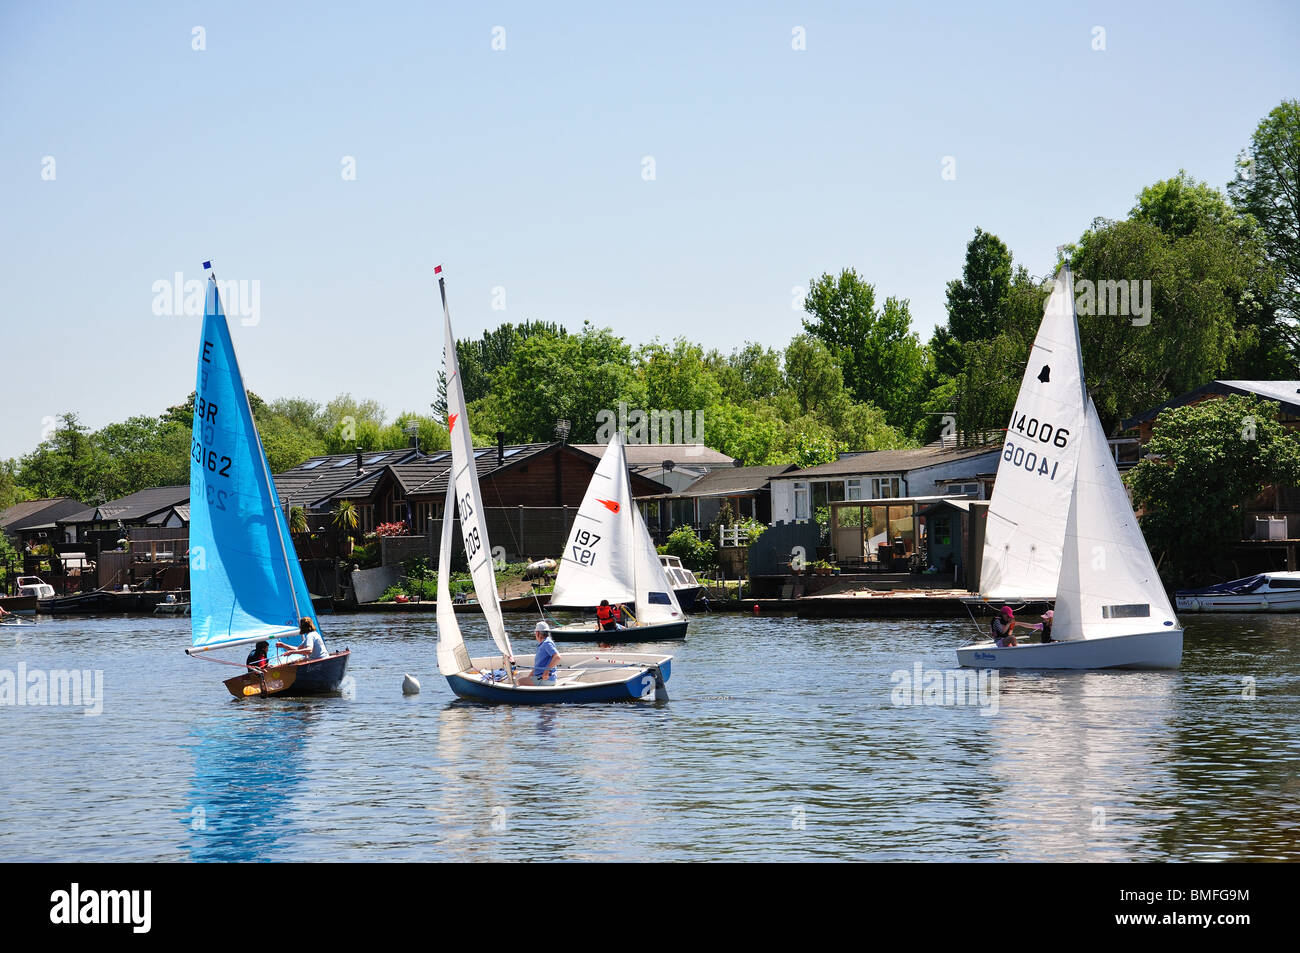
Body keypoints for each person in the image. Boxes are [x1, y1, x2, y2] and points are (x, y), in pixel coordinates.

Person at [516, 621, 562, 685]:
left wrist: (546, 671)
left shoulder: (547, 643)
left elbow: (557, 657)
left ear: (537, 633)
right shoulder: (543, 644)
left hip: (546, 679)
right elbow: (537, 667)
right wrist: (529, 677)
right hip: (541, 678)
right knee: (523, 680)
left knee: (519, 681)